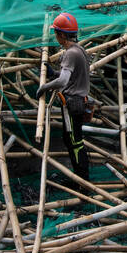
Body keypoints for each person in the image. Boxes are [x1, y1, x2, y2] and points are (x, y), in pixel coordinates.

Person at [35, 12, 91, 185]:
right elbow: (70, 75)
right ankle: (79, 176)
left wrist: (44, 87)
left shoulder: (70, 53)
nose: (55, 37)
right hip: (79, 101)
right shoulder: (78, 50)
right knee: (71, 139)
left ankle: (82, 181)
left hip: (73, 103)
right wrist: (54, 73)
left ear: (61, 34)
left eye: (56, 33)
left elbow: (64, 81)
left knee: (75, 142)